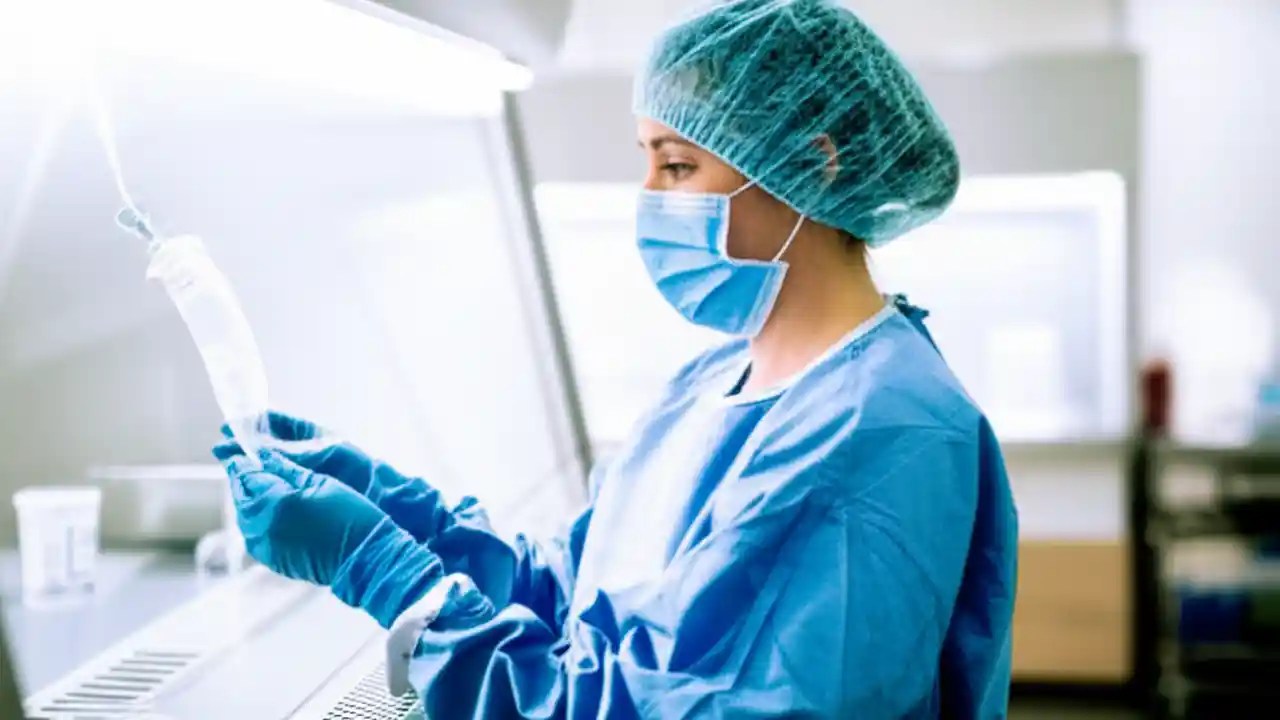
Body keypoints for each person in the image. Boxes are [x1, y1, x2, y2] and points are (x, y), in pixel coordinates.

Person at [213, 0, 1018, 717]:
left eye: (677, 165)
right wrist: (397, 518)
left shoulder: (879, 434)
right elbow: (580, 600)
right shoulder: (713, 385)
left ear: (815, 163)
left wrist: (385, 572)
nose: (649, 196)